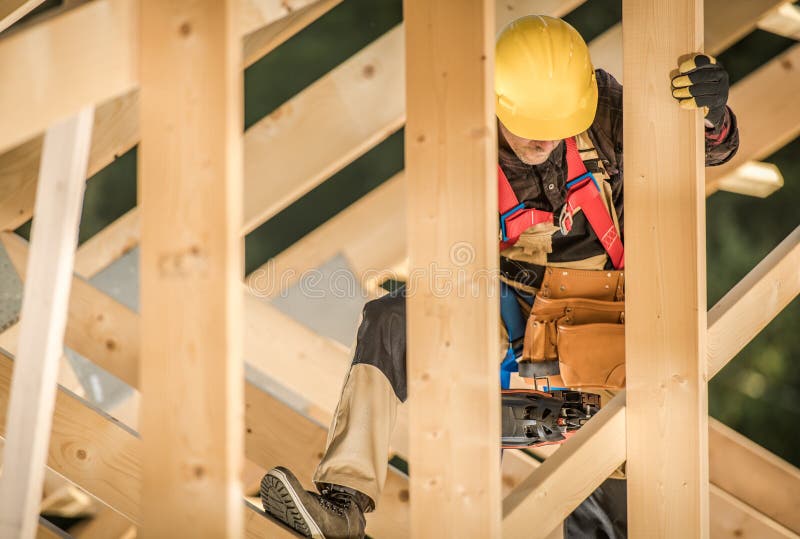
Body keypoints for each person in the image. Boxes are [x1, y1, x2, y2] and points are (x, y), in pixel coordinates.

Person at [260, 15, 739, 539]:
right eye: (527, 125)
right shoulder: (467, 138)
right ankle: (343, 503)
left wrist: (712, 118)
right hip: (514, 311)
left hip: (613, 323)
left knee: (623, 504)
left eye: (554, 125)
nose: (540, 140)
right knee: (390, 318)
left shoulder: (604, 110)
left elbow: (701, 152)